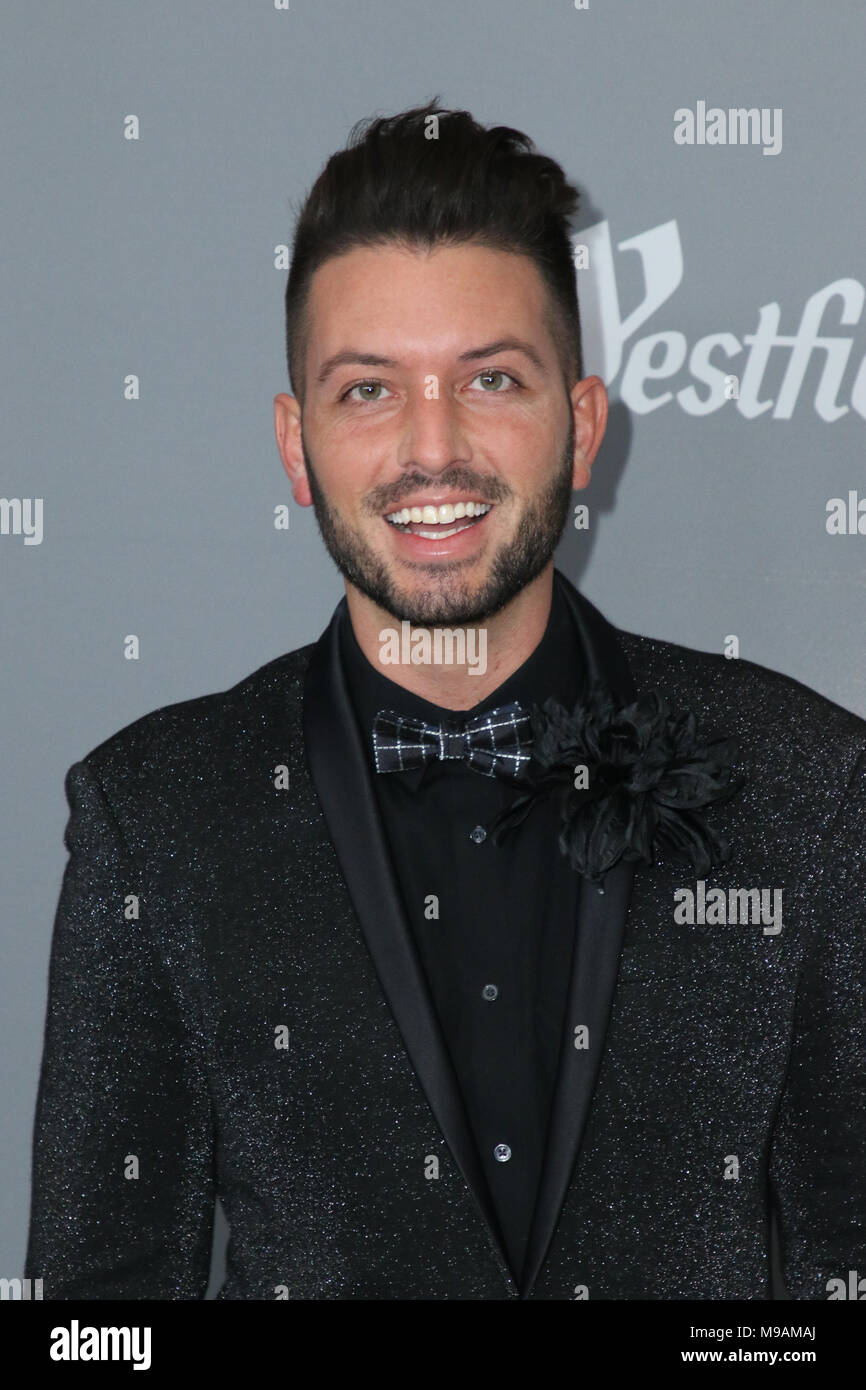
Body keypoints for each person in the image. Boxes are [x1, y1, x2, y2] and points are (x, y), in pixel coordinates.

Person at [25, 100, 866, 1300]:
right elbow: (85, 1320)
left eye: (490, 379)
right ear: (294, 444)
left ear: (578, 428)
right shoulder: (153, 819)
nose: (434, 447)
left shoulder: (809, 786)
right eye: (368, 391)